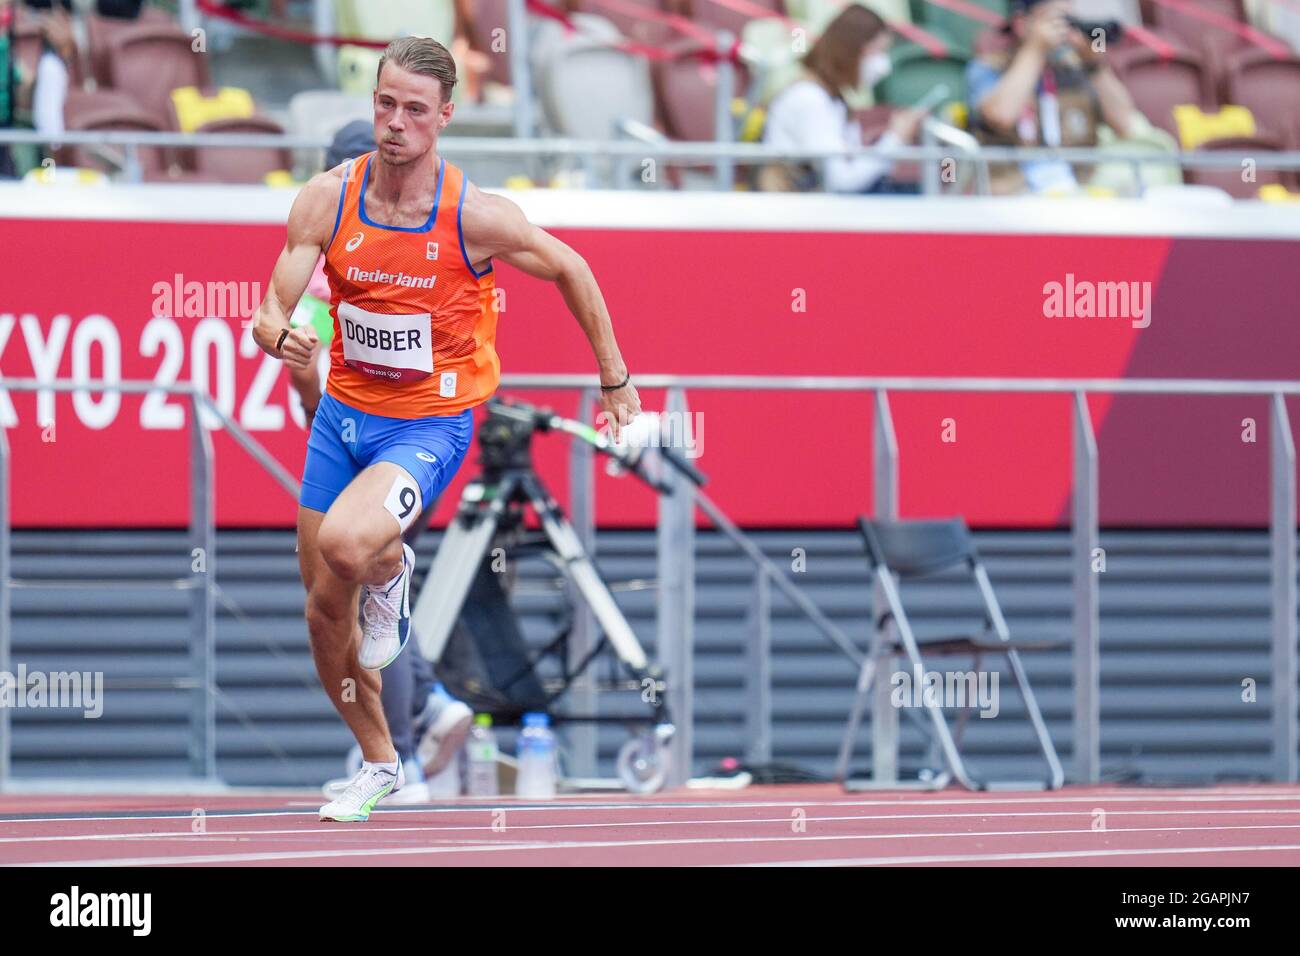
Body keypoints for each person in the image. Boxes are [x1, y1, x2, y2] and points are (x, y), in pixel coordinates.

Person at [251, 36, 641, 822]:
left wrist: (614, 379)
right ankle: (379, 759)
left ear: (445, 119)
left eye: (415, 110)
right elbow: (272, 305)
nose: (396, 122)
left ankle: (392, 574)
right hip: (343, 419)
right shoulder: (327, 199)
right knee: (323, 613)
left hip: (427, 424)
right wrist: (275, 332)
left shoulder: (474, 215)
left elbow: (572, 267)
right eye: (385, 104)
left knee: (349, 548)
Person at [966, 0, 1142, 194]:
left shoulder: (1075, 69)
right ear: (1021, 24)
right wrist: (1036, 49)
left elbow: (1125, 123)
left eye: (1071, 20)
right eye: (1057, 19)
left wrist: (1094, 65)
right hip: (1012, 197)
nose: (1065, 29)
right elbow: (1000, 116)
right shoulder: (989, 67)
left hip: (1079, 193)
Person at [761, 4, 925, 194]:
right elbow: (842, 181)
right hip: (806, 215)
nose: (883, 65)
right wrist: (894, 138)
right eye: (877, 52)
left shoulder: (830, 97)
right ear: (851, 51)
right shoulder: (809, 99)